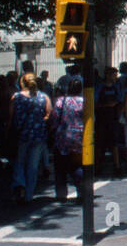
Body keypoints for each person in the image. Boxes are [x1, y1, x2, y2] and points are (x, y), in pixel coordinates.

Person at [9, 72, 51, 202]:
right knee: (33, 166)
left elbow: (11, 117)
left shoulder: (16, 97)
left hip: (21, 133)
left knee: (19, 161)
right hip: (38, 135)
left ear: (22, 82)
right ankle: (29, 195)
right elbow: (49, 115)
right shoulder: (44, 97)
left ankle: (19, 183)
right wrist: (39, 121)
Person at [51, 76, 85, 200]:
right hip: (79, 138)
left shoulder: (61, 101)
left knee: (60, 167)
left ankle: (61, 194)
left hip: (63, 137)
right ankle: (81, 191)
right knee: (77, 165)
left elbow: (55, 118)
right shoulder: (85, 102)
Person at [95, 67, 122, 176]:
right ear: (107, 75)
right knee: (99, 144)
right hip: (101, 119)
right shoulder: (100, 87)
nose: (115, 77)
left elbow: (120, 100)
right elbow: (95, 101)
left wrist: (118, 112)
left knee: (114, 144)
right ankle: (98, 166)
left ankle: (117, 166)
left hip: (113, 119)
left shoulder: (116, 87)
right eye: (113, 75)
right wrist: (105, 105)